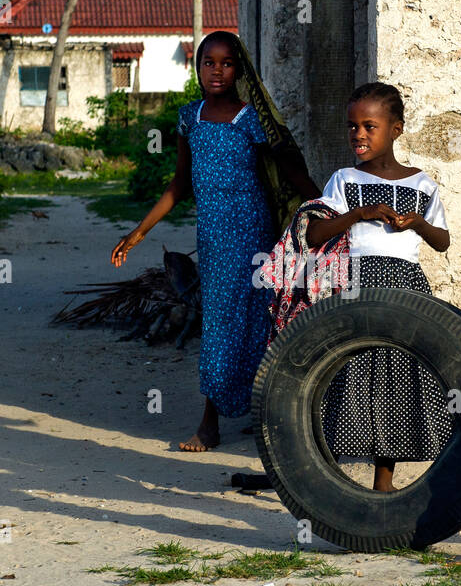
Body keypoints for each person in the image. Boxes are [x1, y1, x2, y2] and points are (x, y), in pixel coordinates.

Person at [110, 31, 317, 452]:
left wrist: (322, 205)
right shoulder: (190, 117)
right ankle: (210, 421)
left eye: (226, 63)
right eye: (209, 62)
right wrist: (139, 231)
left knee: (258, 319)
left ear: (238, 70)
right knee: (218, 321)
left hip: (253, 231)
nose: (217, 70)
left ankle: (263, 415)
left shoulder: (251, 119)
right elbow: (178, 185)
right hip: (214, 237)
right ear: (197, 67)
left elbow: (288, 167)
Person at [306, 83, 454, 492]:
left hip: (405, 286)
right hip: (353, 285)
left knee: (395, 377)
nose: (359, 135)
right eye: (352, 127)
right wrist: (359, 213)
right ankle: (325, 474)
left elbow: (442, 242)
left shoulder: (422, 184)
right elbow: (316, 232)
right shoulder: (343, 180)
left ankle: (383, 480)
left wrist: (419, 223)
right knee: (345, 371)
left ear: (396, 129)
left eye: (369, 126)